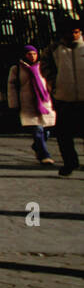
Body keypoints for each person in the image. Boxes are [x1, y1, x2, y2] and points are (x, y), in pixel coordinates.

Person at [7, 45, 56, 167]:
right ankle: (45, 155)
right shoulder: (17, 69)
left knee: (47, 130)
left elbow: (50, 81)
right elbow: (11, 87)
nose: (32, 56)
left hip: (45, 102)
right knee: (37, 130)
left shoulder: (42, 66)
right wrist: (13, 103)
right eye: (29, 54)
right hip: (28, 103)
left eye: (34, 54)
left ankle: (37, 146)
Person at [48, 22, 83, 177]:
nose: (74, 35)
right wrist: (53, 84)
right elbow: (45, 66)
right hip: (64, 97)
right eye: (71, 32)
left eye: (76, 32)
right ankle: (70, 162)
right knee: (64, 135)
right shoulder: (55, 49)